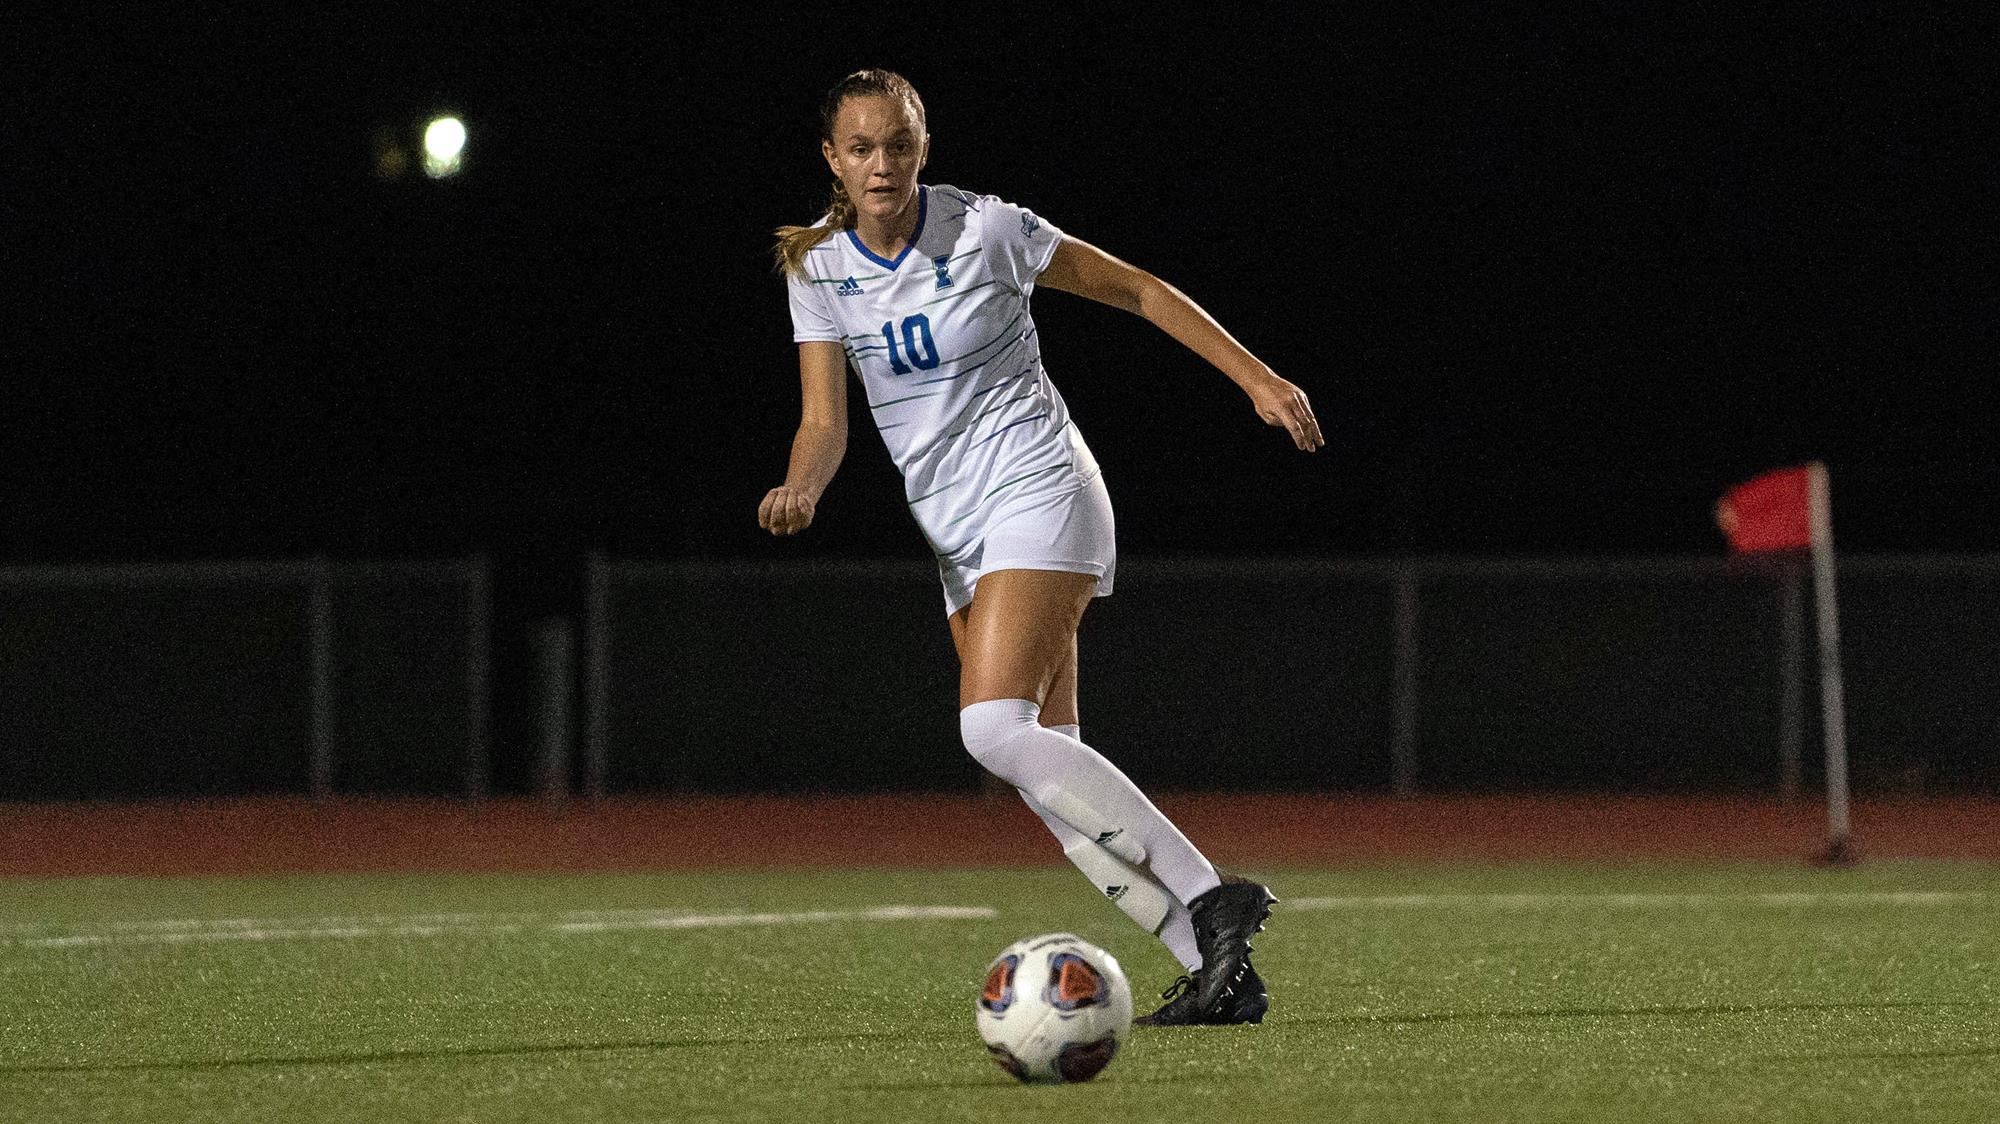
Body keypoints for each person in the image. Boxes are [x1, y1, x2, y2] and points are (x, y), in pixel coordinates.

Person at [762, 69, 1322, 1027]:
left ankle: (1209, 894)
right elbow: (825, 421)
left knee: (990, 730)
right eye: (861, 148)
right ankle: (1214, 968)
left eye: (898, 143)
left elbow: (1138, 291)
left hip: (1041, 487)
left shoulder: (988, 229)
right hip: (957, 534)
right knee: (1042, 764)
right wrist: (803, 484)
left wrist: (1257, 378)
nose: (882, 164)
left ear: (923, 145)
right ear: (832, 159)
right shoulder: (816, 268)